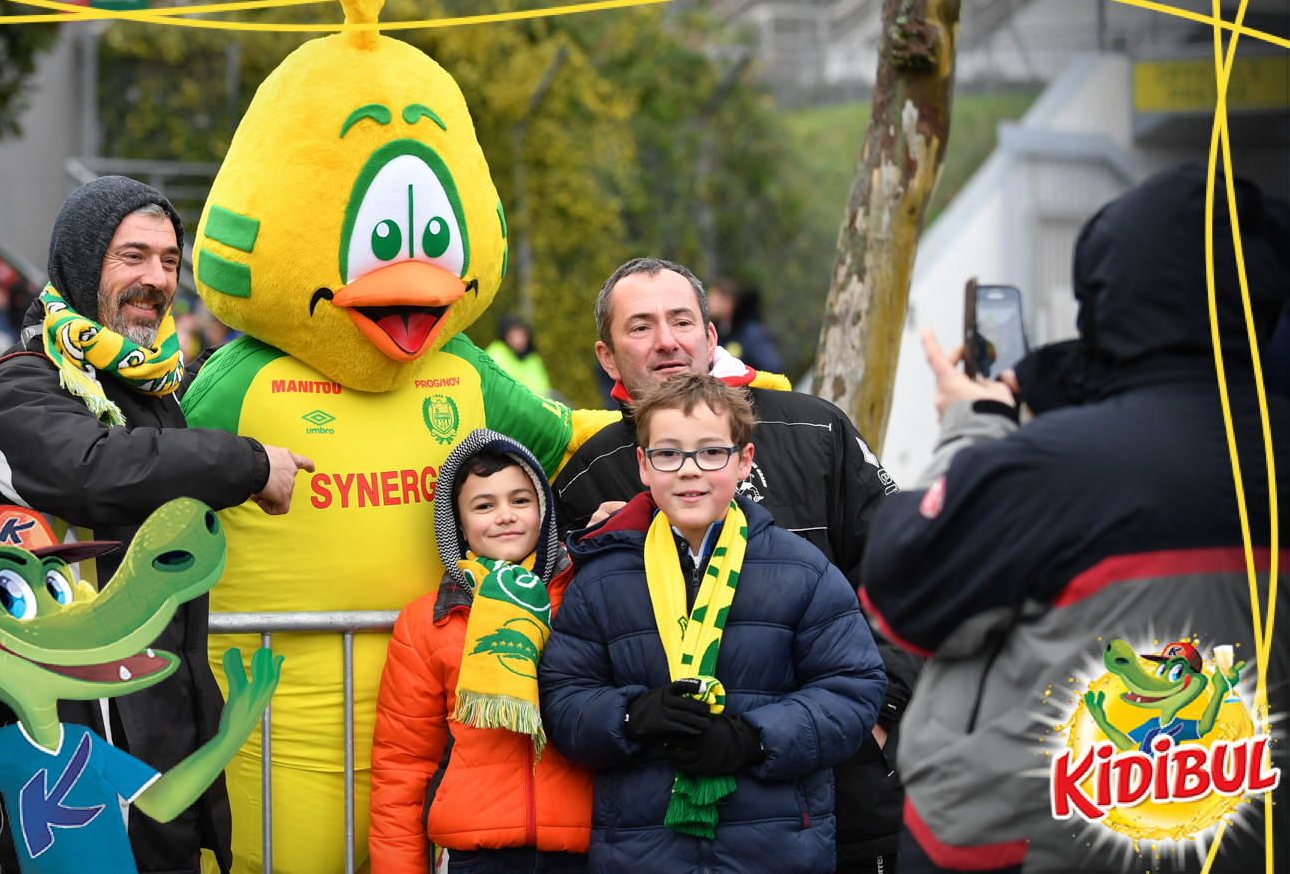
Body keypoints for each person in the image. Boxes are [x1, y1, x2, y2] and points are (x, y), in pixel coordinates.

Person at [860, 164, 1287, 873]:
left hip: (1032, 844)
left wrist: (977, 424)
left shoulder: (1048, 470)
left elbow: (901, 588)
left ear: (1108, 290)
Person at [0, 175, 313, 874]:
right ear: (85, 263)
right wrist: (248, 463)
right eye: (133, 256)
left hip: (154, 717)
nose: (156, 279)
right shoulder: (19, 384)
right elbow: (94, 469)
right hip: (70, 730)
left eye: (170, 261)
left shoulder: (150, 391)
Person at [552, 257, 919, 872]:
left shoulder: (813, 429)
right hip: (657, 825)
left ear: (710, 335)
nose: (666, 341)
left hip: (833, 787)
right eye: (640, 327)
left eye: (681, 321)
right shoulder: (591, 473)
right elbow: (567, 655)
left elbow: (909, 567)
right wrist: (587, 551)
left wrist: (879, 714)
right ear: (608, 357)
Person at [370, 429, 592, 873]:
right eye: (484, 505)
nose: (505, 516)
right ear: (458, 523)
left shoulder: (587, 598)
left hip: (585, 848)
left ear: (545, 510)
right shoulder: (429, 621)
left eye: (521, 500)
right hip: (479, 856)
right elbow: (402, 767)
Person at [708, 279, 783, 374]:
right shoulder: (721, 333)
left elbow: (772, 368)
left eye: (713, 299)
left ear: (727, 302)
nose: (709, 304)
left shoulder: (751, 333)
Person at [485, 314, 553, 397]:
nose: (519, 340)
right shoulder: (495, 354)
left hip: (534, 405)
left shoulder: (532, 357)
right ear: (505, 336)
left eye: (522, 335)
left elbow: (543, 386)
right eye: (514, 336)